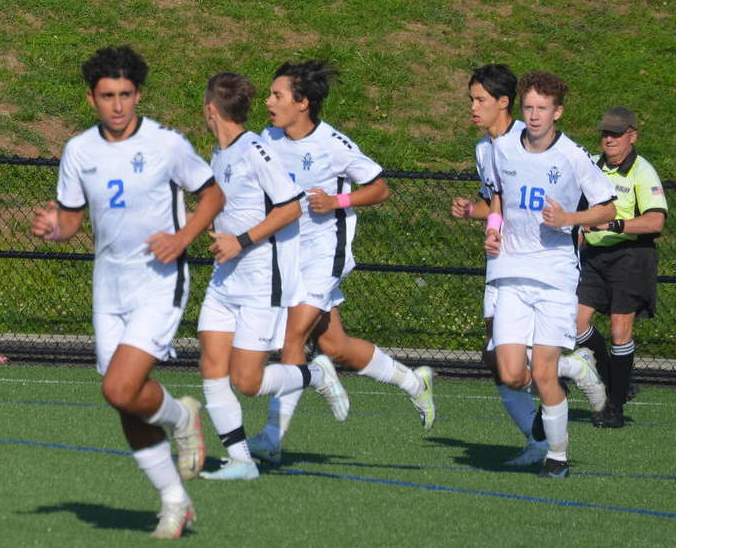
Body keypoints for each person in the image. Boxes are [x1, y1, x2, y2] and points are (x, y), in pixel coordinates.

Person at [29, 46, 223, 539]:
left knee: (118, 387)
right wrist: (55, 228)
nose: (118, 106)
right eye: (107, 96)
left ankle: (180, 417)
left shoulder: (166, 143)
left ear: (138, 94)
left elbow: (212, 192)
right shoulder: (78, 151)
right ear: (91, 98)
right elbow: (72, 222)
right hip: (107, 284)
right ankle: (174, 502)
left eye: (126, 95)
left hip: (158, 281)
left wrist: (183, 238)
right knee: (124, 399)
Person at [248, 60, 435, 465]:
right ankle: (411, 380)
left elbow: (380, 187)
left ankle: (271, 439)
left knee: (292, 339)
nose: (268, 101)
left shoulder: (332, 144)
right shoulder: (267, 138)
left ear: (303, 103)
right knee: (336, 346)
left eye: (277, 95)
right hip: (286, 254)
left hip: (323, 255)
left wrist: (338, 201)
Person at [194, 72, 350, 482]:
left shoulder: (256, 150)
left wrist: (240, 241)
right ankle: (242, 460)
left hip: (262, 281)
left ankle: (315, 373)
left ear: (211, 110)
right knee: (211, 364)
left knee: (247, 382)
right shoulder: (219, 153)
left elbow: (291, 207)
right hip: (225, 279)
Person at [482, 70, 613, 478]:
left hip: (555, 275)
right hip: (510, 273)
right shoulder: (500, 148)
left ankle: (557, 456)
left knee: (540, 371)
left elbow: (607, 208)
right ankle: (576, 366)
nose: (534, 116)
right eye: (529, 108)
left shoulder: (573, 156)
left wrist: (570, 217)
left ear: (558, 112)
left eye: (542, 108)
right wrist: (492, 229)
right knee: (508, 372)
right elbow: (497, 200)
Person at [450, 64, 549, 467]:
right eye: (471, 99)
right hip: (499, 260)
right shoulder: (482, 149)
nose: (473, 108)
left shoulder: (528, 143)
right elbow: (497, 204)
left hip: (533, 261)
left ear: (504, 102)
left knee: (511, 360)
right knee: (495, 359)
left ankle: (567, 367)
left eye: (480, 100)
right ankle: (538, 441)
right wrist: (473, 211)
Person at [574, 107, 668, 428]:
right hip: (595, 259)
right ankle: (619, 383)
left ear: (632, 136)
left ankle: (613, 407)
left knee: (619, 329)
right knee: (575, 323)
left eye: (616, 133)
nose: (609, 139)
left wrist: (616, 224)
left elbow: (656, 221)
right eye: (605, 133)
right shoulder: (593, 168)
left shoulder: (643, 171)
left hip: (632, 257)